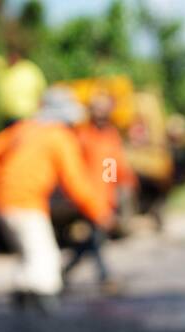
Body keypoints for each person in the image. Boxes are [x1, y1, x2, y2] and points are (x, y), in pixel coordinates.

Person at [0, 88, 113, 313]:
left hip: (3, 202)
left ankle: (23, 314)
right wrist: (99, 212)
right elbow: (75, 181)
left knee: (29, 258)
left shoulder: (23, 129)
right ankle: (46, 321)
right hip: (25, 202)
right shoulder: (58, 136)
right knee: (46, 260)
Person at [64, 91, 137, 292]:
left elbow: (114, 166)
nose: (99, 113)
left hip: (106, 196)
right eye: (96, 108)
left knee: (93, 240)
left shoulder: (111, 136)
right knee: (97, 238)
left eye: (103, 109)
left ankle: (64, 272)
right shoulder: (83, 135)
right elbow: (73, 167)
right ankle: (105, 277)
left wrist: (122, 189)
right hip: (88, 197)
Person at [0, 44, 47, 127]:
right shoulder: (2, 67)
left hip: (27, 119)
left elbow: (42, 95)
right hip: (6, 120)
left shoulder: (30, 69)